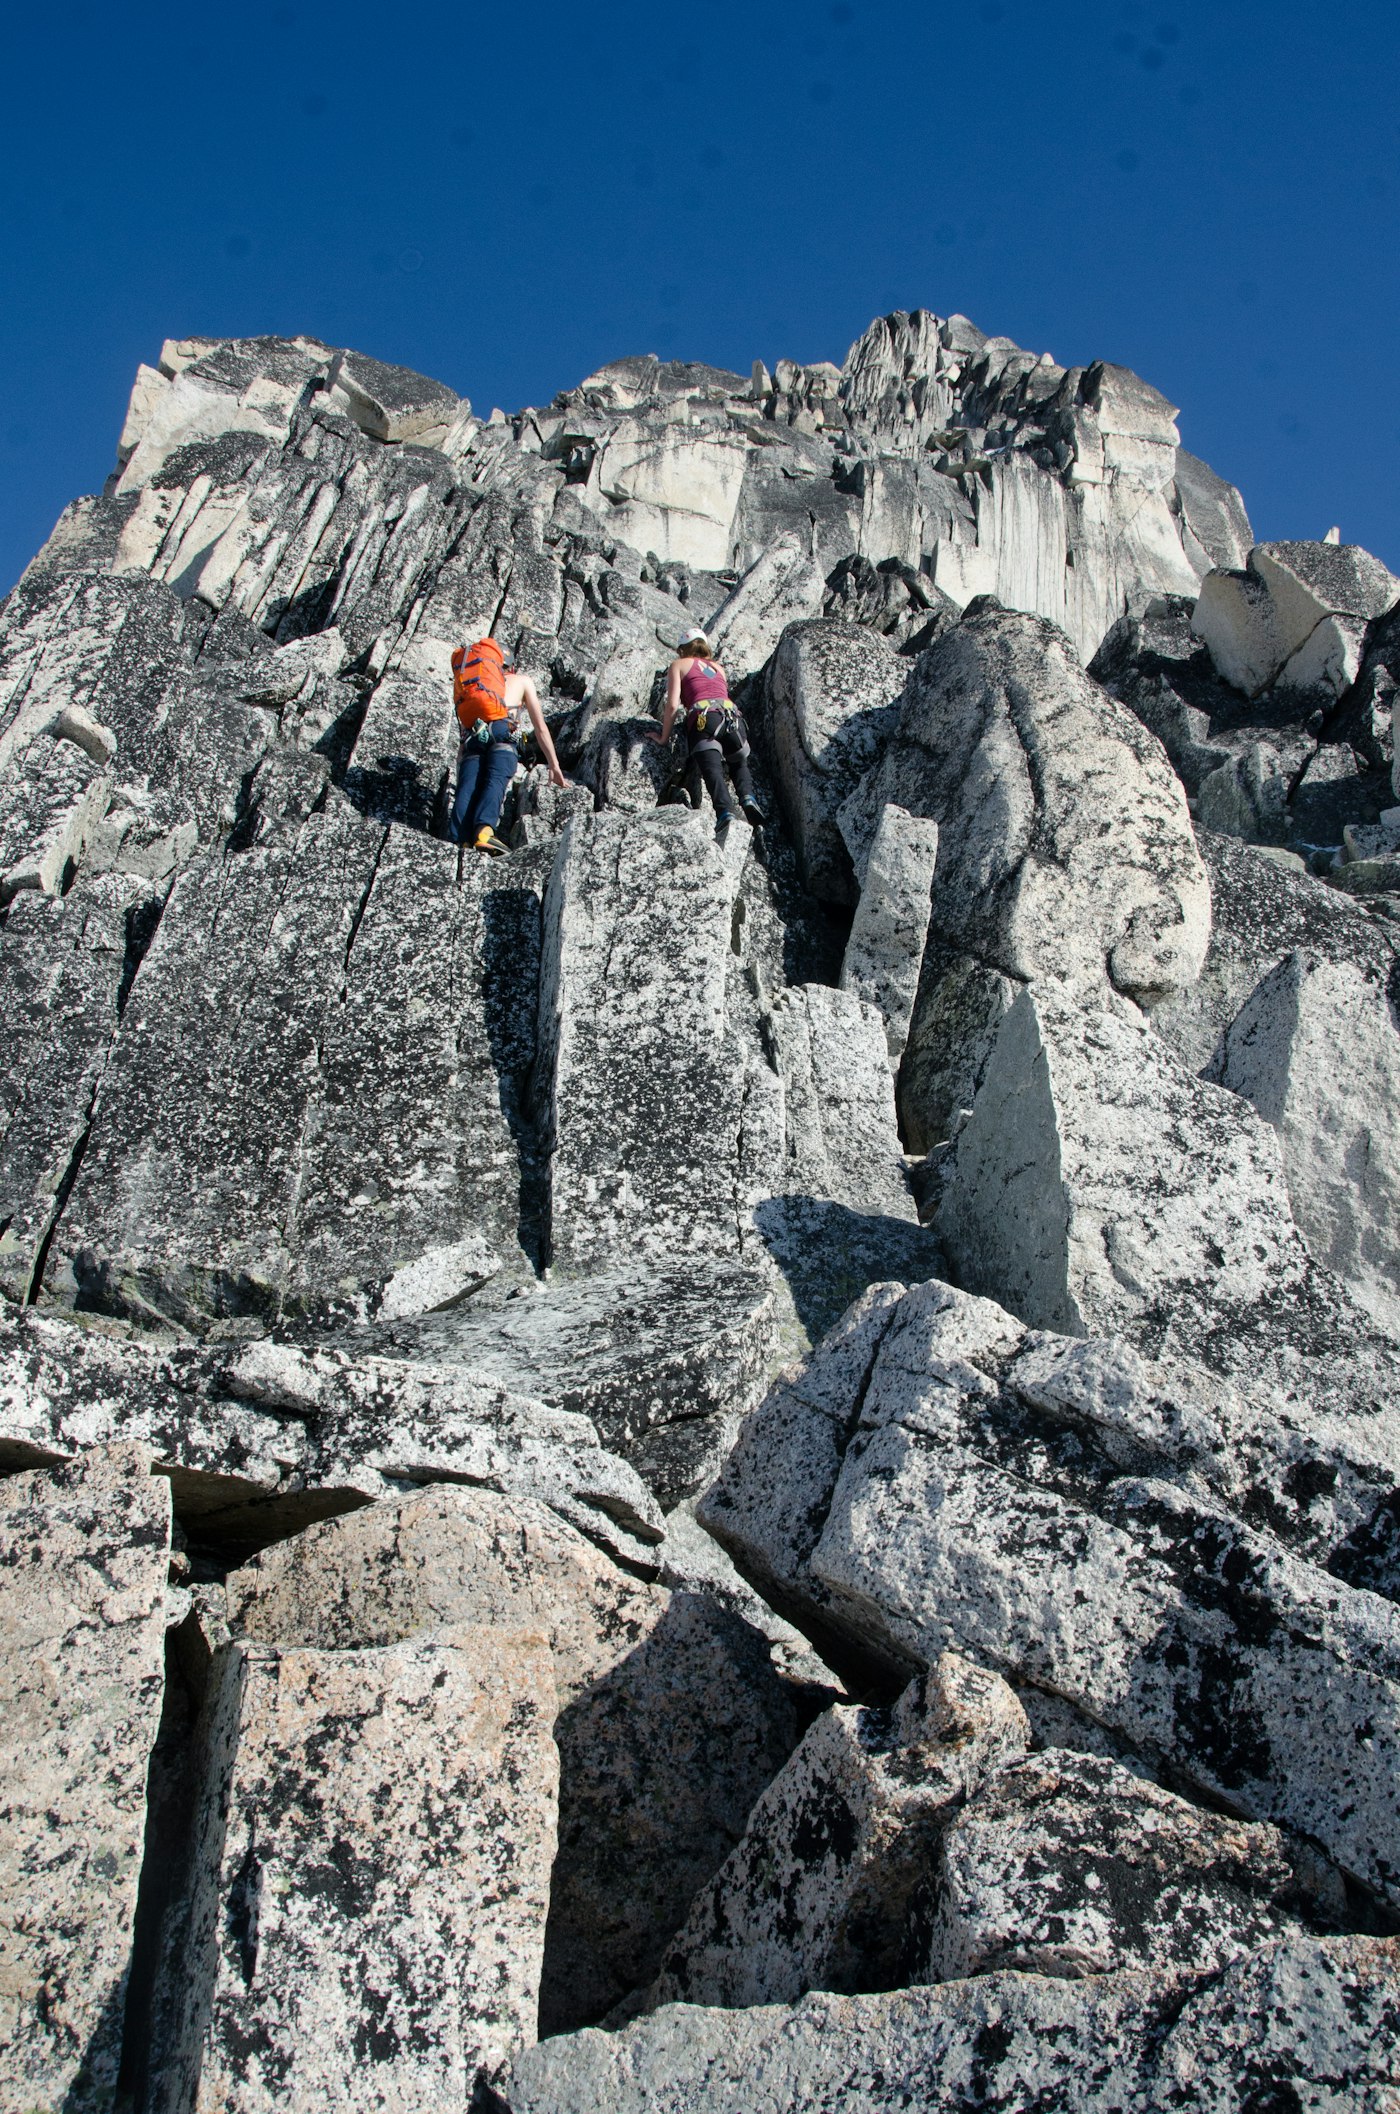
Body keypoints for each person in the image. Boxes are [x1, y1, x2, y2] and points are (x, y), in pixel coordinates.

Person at [449, 639, 570, 854]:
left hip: (473, 735)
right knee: (495, 779)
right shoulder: (521, 681)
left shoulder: (473, 683)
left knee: (468, 785)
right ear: (511, 666)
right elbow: (540, 727)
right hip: (502, 733)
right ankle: (484, 833)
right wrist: (554, 764)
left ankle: (460, 839)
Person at [647, 627, 764, 830]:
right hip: (733, 719)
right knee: (738, 762)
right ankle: (748, 797)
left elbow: (672, 705)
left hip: (704, 718)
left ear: (683, 649)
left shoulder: (679, 665)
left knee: (712, 769)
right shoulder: (719, 668)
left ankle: (725, 812)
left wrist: (663, 738)